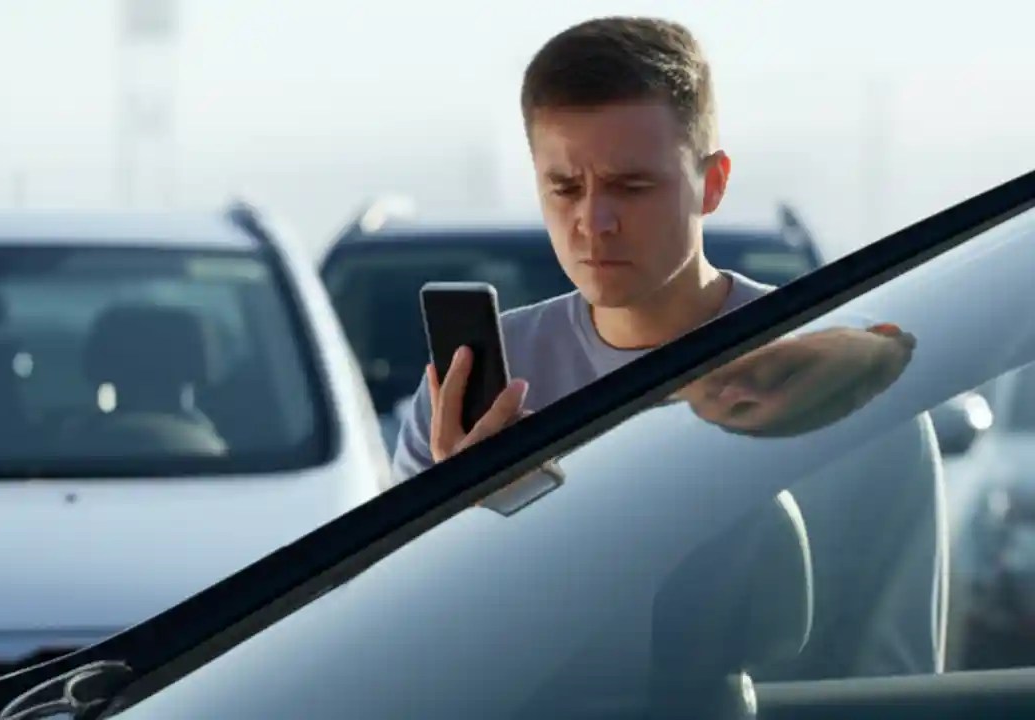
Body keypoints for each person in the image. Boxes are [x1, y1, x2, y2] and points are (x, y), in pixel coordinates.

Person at [389, 16, 945, 680]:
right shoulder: (469, 392)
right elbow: (403, 662)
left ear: (712, 183)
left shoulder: (837, 383)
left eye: (632, 186)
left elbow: (896, 684)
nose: (593, 222)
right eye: (564, 187)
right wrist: (464, 527)